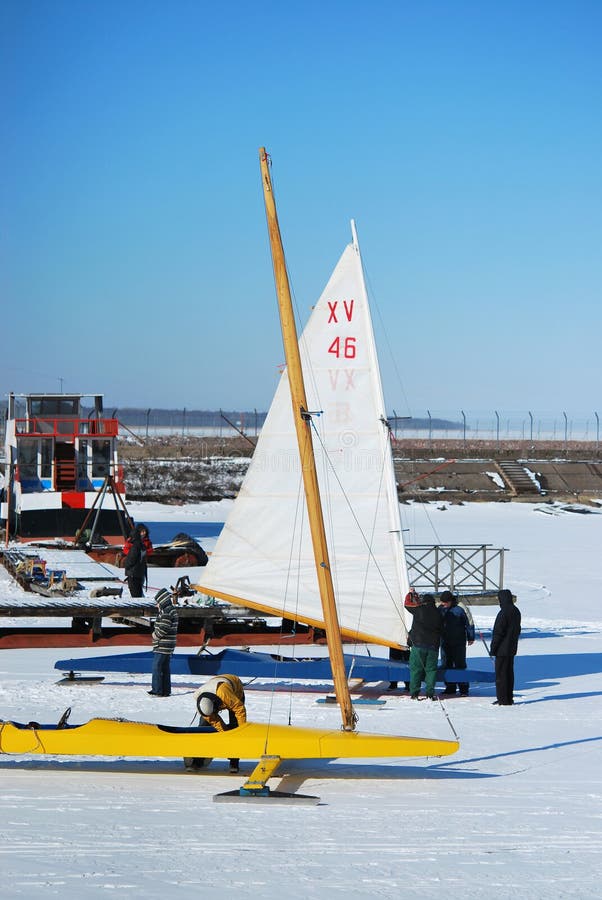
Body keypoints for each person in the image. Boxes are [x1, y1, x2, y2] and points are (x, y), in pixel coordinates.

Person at [193, 674, 247, 773]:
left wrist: (241, 731)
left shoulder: (224, 694)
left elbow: (240, 709)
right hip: (215, 691)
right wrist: (225, 734)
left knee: (235, 727)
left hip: (233, 689)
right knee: (203, 728)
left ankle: (234, 762)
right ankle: (198, 760)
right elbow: (215, 722)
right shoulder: (201, 704)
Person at [405, 592, 442, 700]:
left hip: (418, 645)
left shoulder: (418, 609)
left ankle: (414, 693)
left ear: (423, 602)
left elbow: (407, 604)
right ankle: (430, 693)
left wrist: (411, 594)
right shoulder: (438, 613)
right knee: (431, 670)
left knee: (416, 670)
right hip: (433, 646)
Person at [439, 590, 475, 696]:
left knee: (460, 664)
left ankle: (463, 689)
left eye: (445, 602)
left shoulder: (461, 608)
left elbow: (469, 622)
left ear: (450, 601)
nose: (443, 604)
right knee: (446, 664)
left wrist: (470, 636)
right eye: (442, 602)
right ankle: (450, 687)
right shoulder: (440, 608)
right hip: (445, 640)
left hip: (458, 641)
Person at [490, 589, 521, 706]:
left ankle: (503, 699)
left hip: (502, 650)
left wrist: (493, 649)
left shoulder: (503, 612)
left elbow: (498, 632)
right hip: (512, 648)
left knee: (501, 675)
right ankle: (509, 697)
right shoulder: (516, 611)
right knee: (509, 674)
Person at [148, 587, 178, 697]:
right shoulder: (169, 610)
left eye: (158, 602)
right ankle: (166, 690)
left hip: (163, 645)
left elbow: (164, 627)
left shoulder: (167, 611)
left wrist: (155, 635)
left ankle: (157, 689)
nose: (157, 605)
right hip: (168, 645)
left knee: (157, 667)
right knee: (165, 668)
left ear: (162, 601)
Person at [123, 523, 153, 598]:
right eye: (142, 532)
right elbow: (126, 550)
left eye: (144, 531)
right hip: (137, 567)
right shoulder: (132, 543)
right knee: (136, 588)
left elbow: (149, 550)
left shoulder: (145, 542)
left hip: (138, 568)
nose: (144, 533)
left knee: (137, 588)